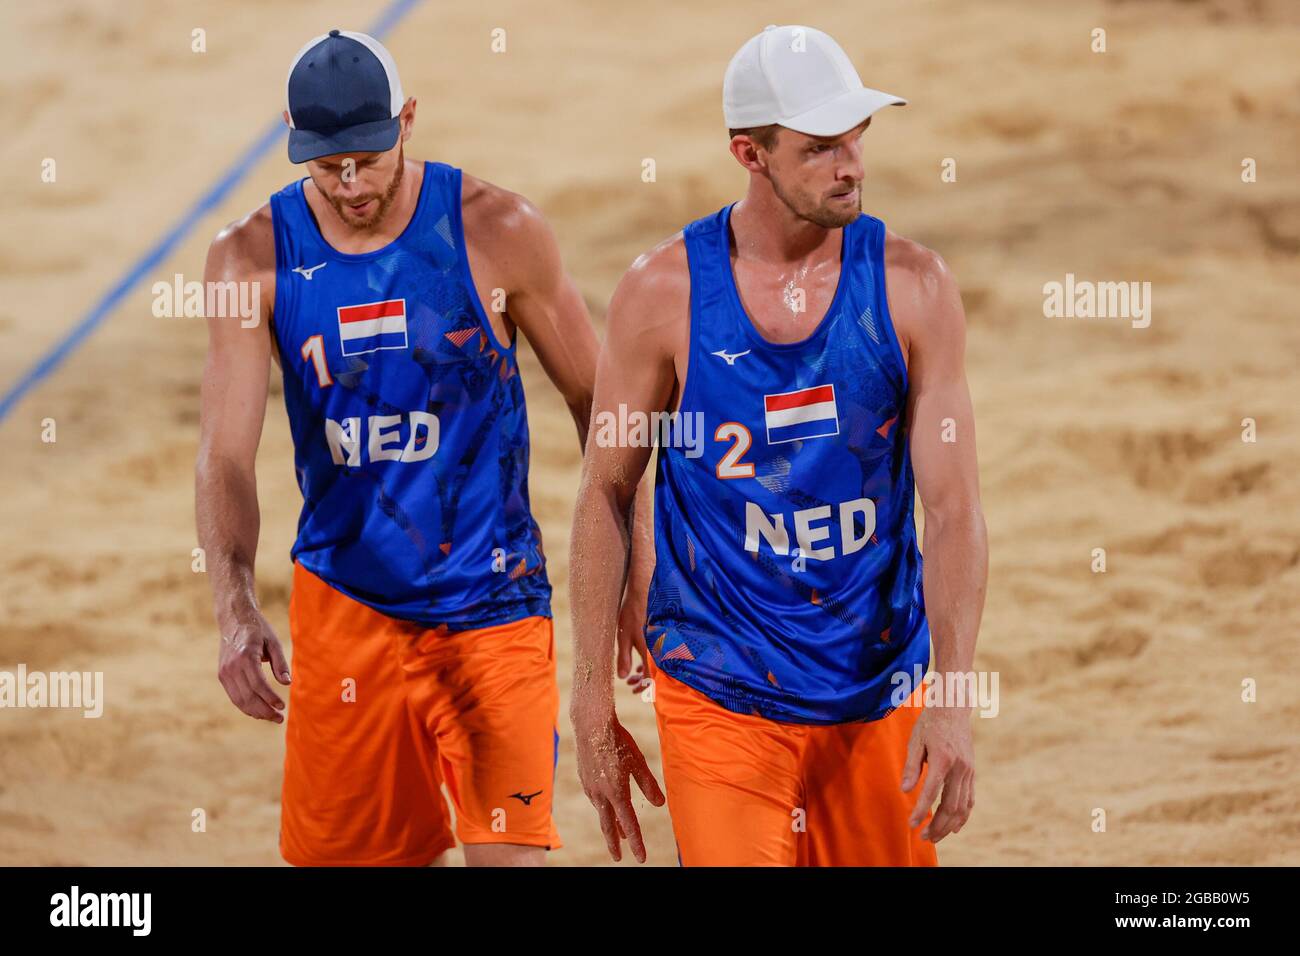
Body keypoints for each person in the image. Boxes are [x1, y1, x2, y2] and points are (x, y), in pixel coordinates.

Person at [570, 24, 988, 865]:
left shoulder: (913, 288)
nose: (853, 166)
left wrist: (954, 696)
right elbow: (606, 491)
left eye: (858, 139)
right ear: (749, 154)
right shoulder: (663, 294)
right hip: (719, 686)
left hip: (874, 686)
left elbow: (952, 511)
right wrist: (587, 699)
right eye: (822, 148)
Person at [196, 29, 603, 866]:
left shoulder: (498, 230)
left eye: (369, 160)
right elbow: (226, 456)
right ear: (292, 135)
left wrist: (635, 563)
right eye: (327, 165)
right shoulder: (250, 259)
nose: (349, 185)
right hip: (347, 610)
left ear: (408, 121)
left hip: (493, 609)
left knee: (511, 854)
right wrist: (233, 606)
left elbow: (601, 402)